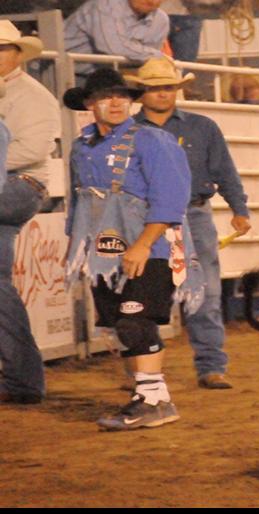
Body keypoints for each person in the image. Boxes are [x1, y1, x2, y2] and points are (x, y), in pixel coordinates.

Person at [63, 67, 192, 430]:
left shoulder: (153, 141)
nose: (116, 102)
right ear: (90, 104)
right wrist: (76, 245)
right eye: (106, 96)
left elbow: (171, 198)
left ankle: (153, 400)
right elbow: (79, 200)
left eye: (122, 96)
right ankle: (151, 397)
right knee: (124, 324)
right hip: (104, 250)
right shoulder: (82, 147)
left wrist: (143, 244)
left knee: (135, 321)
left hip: (150, 247)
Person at [131, 57, 249, 390]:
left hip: (191, 214)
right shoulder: (131, 131)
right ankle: (146, 367)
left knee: (206, 292)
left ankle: (210, 365)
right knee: (148, 291)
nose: (162, 94)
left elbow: (225, 170)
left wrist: (239, 208)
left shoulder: (202, 127)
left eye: (168, 87)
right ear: (142, 92)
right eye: (155, 88)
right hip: (148, 217)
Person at [0, 20, 58, 405]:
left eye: (2, 48)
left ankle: (24, 378)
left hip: (20, 185)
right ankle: (24, 380)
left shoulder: (34, 96)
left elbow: (32, 150)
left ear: (18, 54)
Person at [63, 0, 171, 75]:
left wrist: (154, 57)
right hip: (67, 71)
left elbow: (148, 62)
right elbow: (114, 47)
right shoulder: (107, 4)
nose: (151, 1)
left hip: (114, 76)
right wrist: (159, 56)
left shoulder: (161, 20)